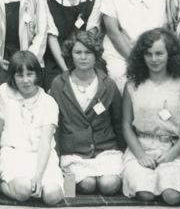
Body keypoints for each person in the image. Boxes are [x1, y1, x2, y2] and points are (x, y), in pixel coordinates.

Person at [120, 28, 180, 206]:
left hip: (171, 148)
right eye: (148, 54)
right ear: (141, 56)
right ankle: (150, 181)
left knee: (172, 196)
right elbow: (126, 125)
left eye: (159, 54)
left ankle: (167, 181)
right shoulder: (132, 85)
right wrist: (140, 155)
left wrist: (172, 153)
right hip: (141, 147)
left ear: (170, 54)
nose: (154, 59)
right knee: (145, 194)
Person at [48, 30, 123, 196]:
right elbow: (54, 127)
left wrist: (123, 151)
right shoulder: (58, 84)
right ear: (70, 54)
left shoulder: (108, 84)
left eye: (88, 52)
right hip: (73, 153)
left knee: (109, 185)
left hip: (105, 151)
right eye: (78, 52)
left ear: (96, 55)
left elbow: (118, 122)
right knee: (86, 186)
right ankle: (68, 182)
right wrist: (56, 160)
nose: (83, 57)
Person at [0, 51, 65, 205]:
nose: (25, 80)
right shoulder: (4, 92)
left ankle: (45, 186)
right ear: (12, 76)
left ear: (37, 74)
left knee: (52, 196)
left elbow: (45, 142)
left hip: (42, 157)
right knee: (24, 190)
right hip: (13, 154)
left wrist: (38, 176)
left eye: (30, 74)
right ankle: (1, 185)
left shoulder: (48, 102)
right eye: (19, 75)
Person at [99, 0, 168, 89]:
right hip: (119, 55)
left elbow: (163, 31)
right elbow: (113, 31)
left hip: (152, 55)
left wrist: (150, 59)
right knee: (125, 83)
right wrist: (135, 61)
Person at [43, 0, 96, 88]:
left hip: (86, 58)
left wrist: (80, 70)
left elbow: (91, 38)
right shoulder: (47, 0)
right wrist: (66, 71)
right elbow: (52, 38)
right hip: (57, 61)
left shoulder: (93, 0)